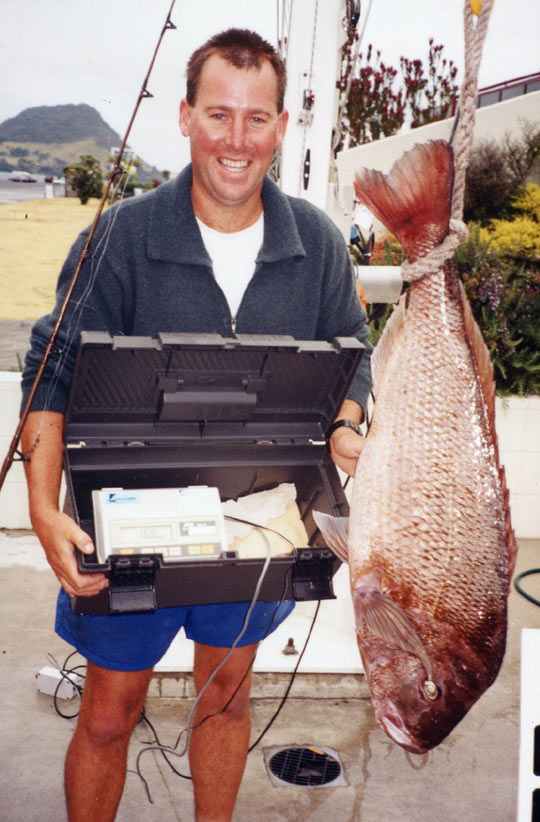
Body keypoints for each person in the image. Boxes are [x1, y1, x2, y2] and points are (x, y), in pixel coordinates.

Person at [20, 28, 371, 822]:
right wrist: (44, 511)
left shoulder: (317, 244)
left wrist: (346, 425)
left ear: (281, 126)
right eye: (218, 115)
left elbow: (356, 358)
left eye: (256, 119)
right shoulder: (120, 236)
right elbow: (54, 366)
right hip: (125, 519)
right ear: (184, 116)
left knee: (224, 702)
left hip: (259, 521)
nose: (236, 140)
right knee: (110, 711)